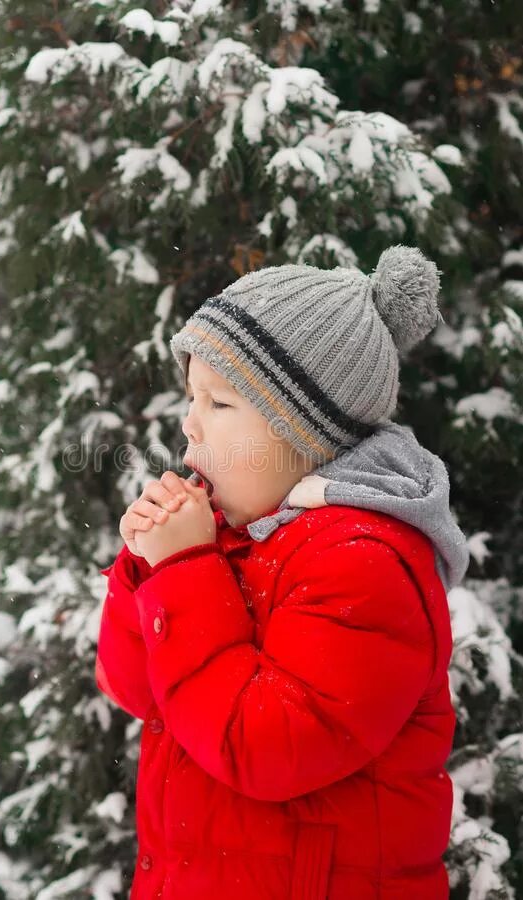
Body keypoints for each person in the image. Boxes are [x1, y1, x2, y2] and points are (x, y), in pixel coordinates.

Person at [95, 245, 470, 900]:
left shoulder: (363, 562)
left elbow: (263, 750)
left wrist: (183, 571)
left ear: (306, 433)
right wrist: (145, 568)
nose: (188, 424)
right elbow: (137, 691)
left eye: (219, 404)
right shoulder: (236, 536)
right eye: (192, 397)